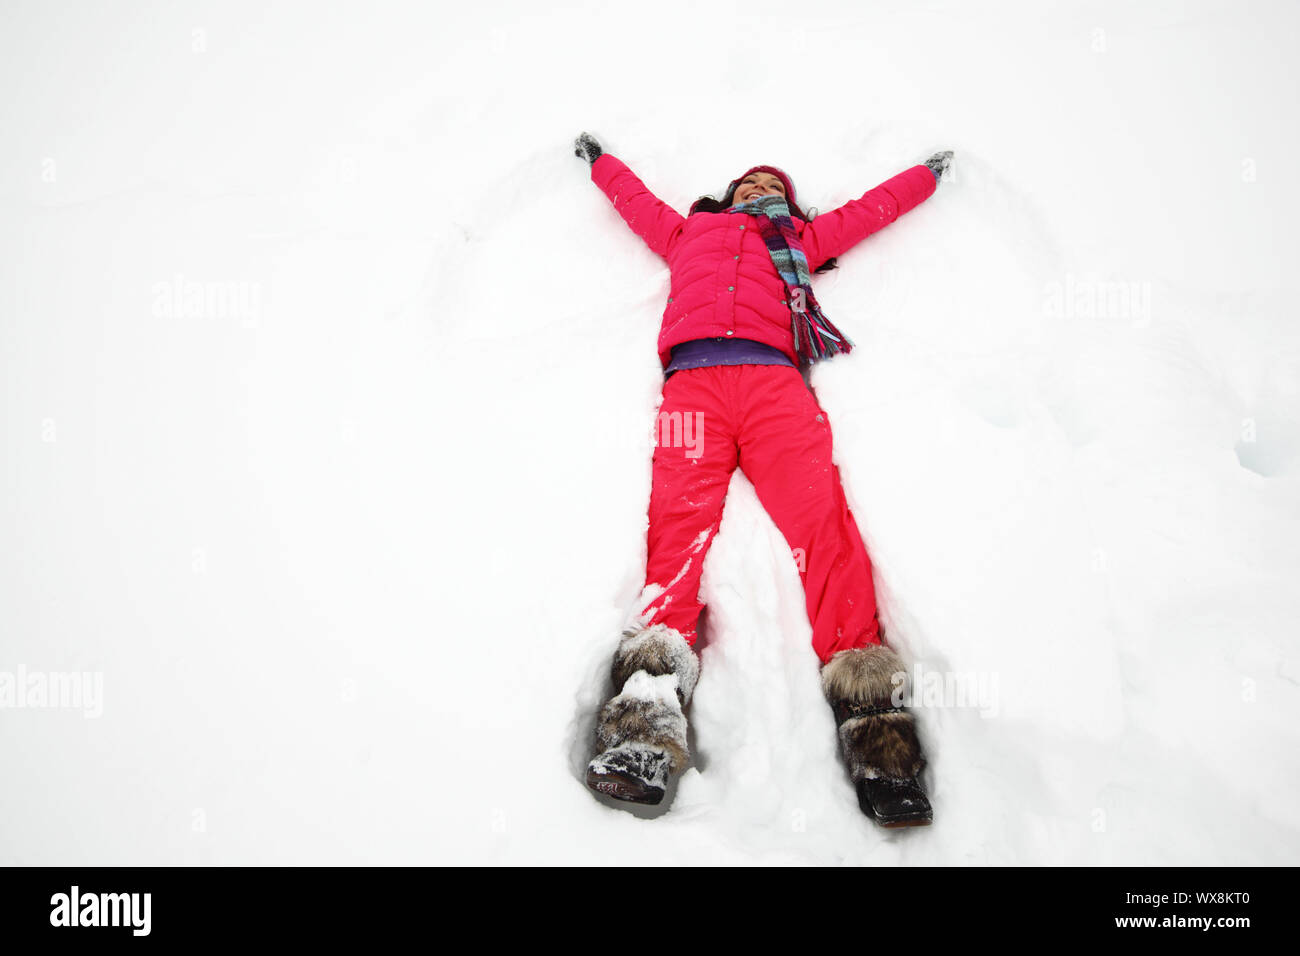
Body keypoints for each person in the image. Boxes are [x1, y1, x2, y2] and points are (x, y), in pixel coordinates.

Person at [574, 131, 953, 827]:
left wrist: (924, 177)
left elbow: (873, 210)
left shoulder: (802, 242)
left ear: (788, 203)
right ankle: (642, 727)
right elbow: (635, 203)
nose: (757, 191)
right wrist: (602, 163)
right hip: (693, 390)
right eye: (748, 184)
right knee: (677, 533)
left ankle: (880, 740)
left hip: (776, 389)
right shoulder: (692, 231)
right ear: (727, 196)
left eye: (769, 186)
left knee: (823, 531)